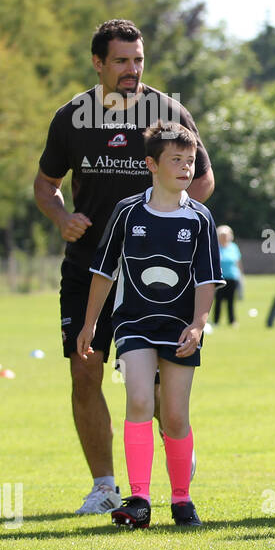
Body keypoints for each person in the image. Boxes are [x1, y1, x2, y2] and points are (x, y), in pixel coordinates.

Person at [35, 18, 213, 515]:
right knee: (85, 372)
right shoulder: (72, 117)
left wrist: (180, 227)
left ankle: (175, 464)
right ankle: (105, 486)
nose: (132, 70)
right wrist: (61, 216)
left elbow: (201, 179)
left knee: (156, 382)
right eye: (121, 61)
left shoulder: (169, 111)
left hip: (158, 275)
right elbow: (45, 183)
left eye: (138, 60)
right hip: (88, 268)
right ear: (98, 63)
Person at [77, 122, 223, 528]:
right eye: (175, 160)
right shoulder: (127, 212)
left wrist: (198, 325)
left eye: (190, 161)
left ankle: (182, 500)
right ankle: (138, 499)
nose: (185, 167)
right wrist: (90, 324)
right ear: (151, 165)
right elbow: (104, 272)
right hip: (134, 324)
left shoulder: (200, 218)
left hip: (179, 327)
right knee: (140, 401)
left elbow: (207, 278)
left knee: (175, 416)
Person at [214, 225, 242, 326]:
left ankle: (232, 321)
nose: (224, 237)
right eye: (222, 235)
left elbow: (238, 263)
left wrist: (241, 276)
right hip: (220, 278)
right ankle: (216, 321)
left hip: (232, 277)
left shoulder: (234, 247)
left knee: (231, 301)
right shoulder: (215, 247)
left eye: (226, 235)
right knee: (218, 300)